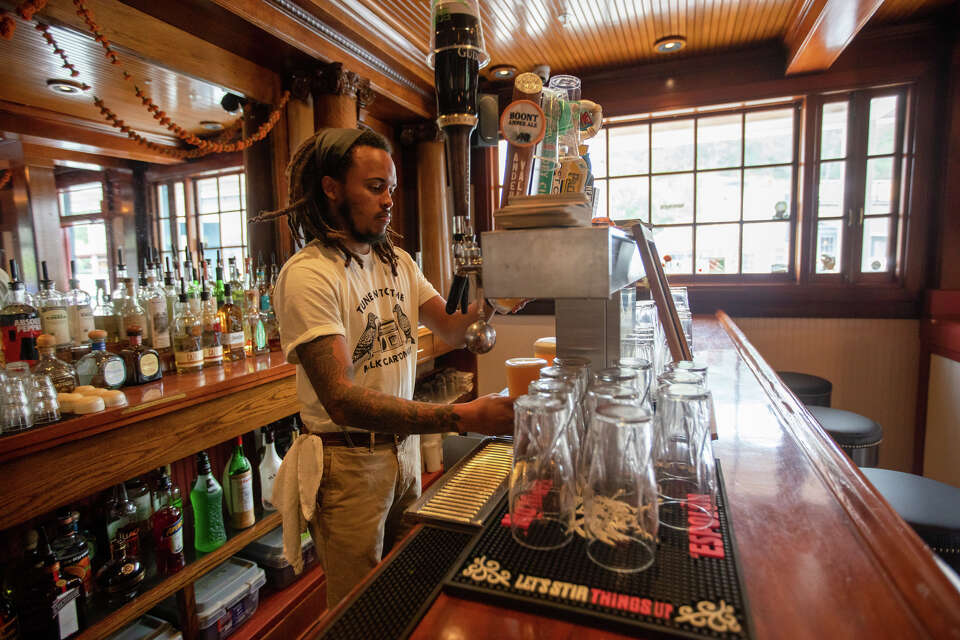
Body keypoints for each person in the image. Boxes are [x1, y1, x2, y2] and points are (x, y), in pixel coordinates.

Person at [259, 127, 514, 607]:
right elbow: (340, 399)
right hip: (348, 464)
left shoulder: (395, 261)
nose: (389, 200)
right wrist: (461, 417)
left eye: (391, 188)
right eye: (375, 187)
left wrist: (498, 297)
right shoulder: (309, 274)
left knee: (405, 585)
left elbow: (456, 330)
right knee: (359, 608)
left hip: (404, 454)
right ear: (332, 188)